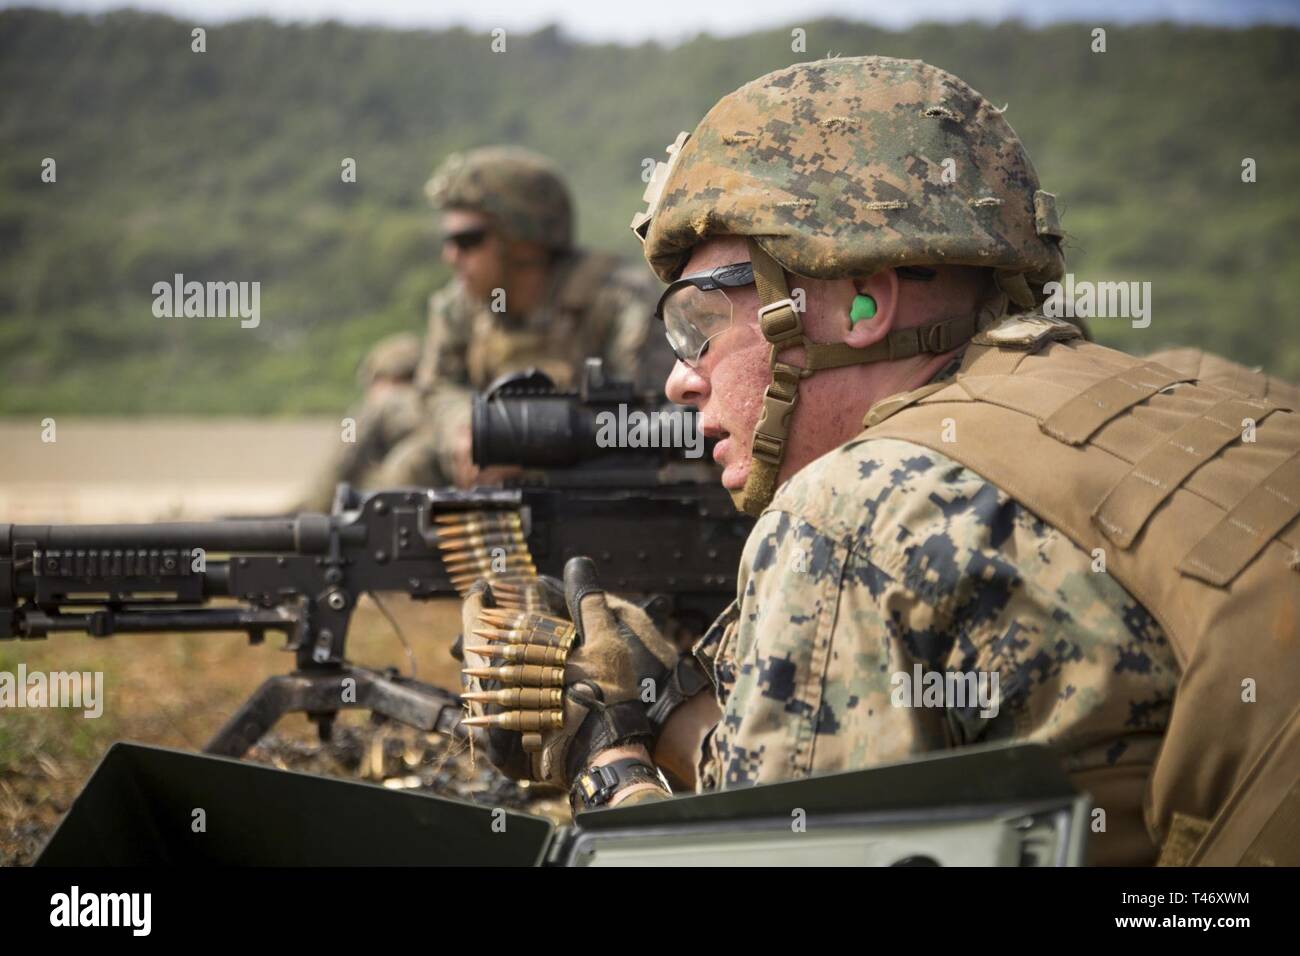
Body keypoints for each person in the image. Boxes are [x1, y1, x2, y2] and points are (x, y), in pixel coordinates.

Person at [459, 57, 1300, 867]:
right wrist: (670, 704)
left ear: (861, 305)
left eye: (697, 321)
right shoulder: (1215, 396)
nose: (681, 379)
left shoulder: (853, 509)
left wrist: (607, 762)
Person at [375, 146, 673, 489]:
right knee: (411, 464)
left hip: (595, 469)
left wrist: (533, 446)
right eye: (448, 239)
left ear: (523, 242)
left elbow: (656, 419)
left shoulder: (618, 300)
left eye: (467, 240)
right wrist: (468, 428)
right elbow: (438, 386)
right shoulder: (458, 306)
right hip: (490, 463)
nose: (450, 256)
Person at [296, 332, 423, 513]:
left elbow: (343, 460)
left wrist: (308, 512)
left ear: (381, 378)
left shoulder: (370, 409)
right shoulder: (442, 406)